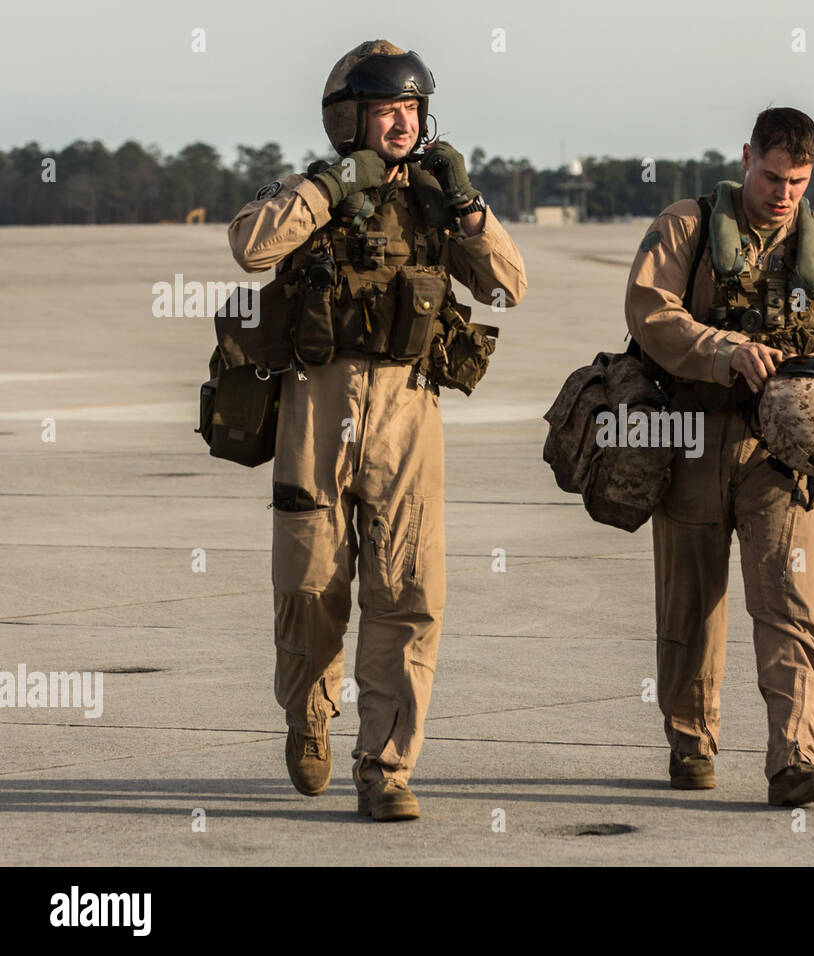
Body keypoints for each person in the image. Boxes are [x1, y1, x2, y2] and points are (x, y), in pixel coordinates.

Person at [227, 39, 526, 821]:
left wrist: (467, 207)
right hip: (317, 408)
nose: (403, 122)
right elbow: (250, 246)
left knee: (409, 591)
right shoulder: (306, 194)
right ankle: (309, 714)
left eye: (413, 109)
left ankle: (385, 768)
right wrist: (331, 188)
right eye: (388, 109)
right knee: (310, 584)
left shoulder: (435, 201)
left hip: (406, 407)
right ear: (350, 118)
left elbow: (509, 285)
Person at [624, 107, 814, 807]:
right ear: (747, 156)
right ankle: (691, 743)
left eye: (799, 181)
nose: (784, 194)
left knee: (794, 604)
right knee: (689, 609)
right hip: (690, 439)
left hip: (779, 455)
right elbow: (649, 312)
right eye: (773, 176)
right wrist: (724, 351)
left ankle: (795, 759)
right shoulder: (686, 229)